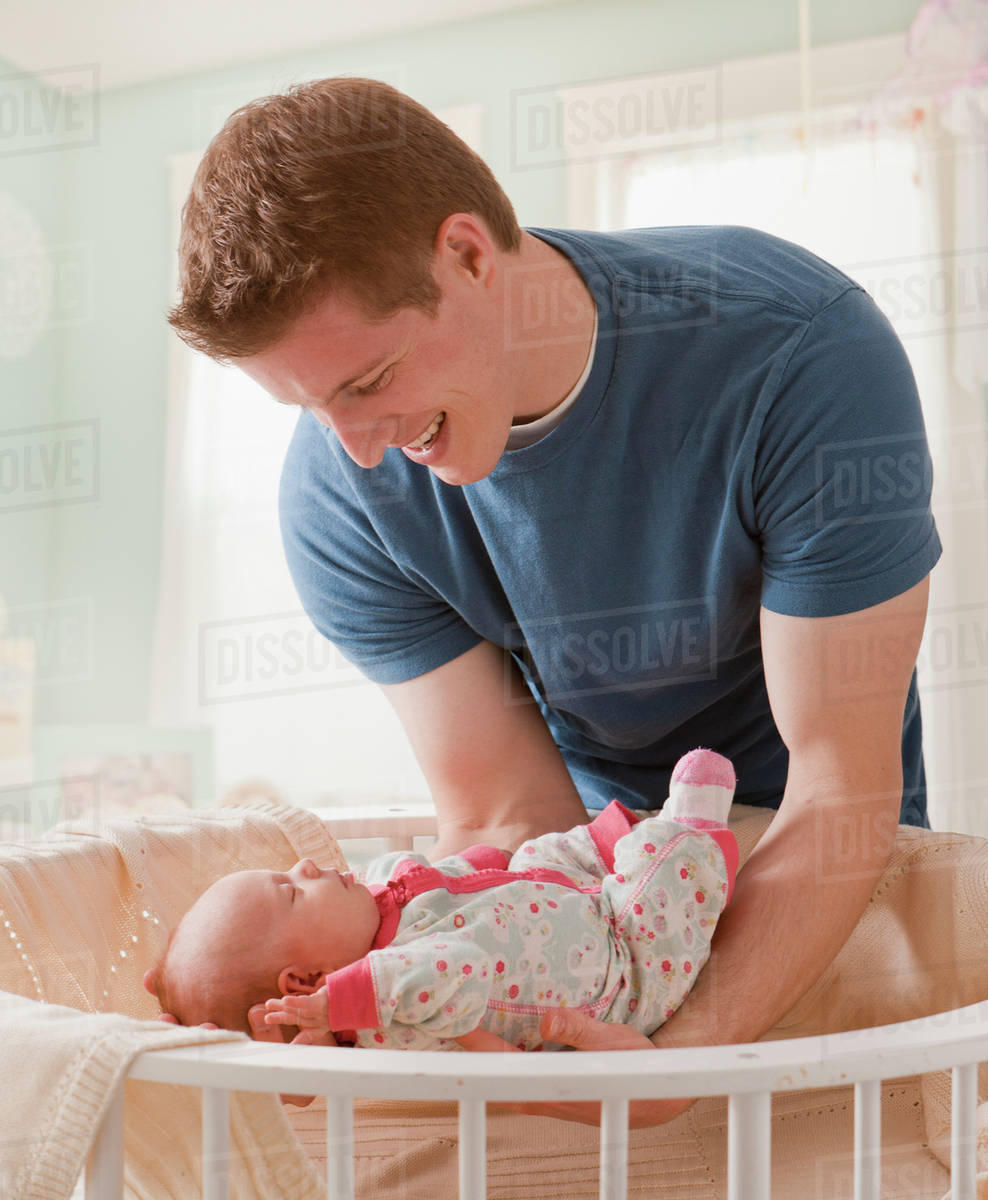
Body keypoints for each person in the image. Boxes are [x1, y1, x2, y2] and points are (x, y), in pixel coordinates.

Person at [164, 77, 941, 1125]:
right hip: (589, 870)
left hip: (811, 859)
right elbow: (508, 814)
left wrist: (685, 1059)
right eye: (307, 406)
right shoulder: (335, 498)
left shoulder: (799, 354)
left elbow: (842, 787)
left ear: (470, 256)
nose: (354, 447)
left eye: (365, 382)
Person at [145, 749, 738, 1053]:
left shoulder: (369, 911)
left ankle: (615, 851)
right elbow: (458, 968)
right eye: (290, 891)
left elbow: (437, 876)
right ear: (308, 981)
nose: (303, 866)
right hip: (618, 973)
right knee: (659, 885)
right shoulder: (396, 1008)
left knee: (540, 853)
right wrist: (343, 1007)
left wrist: (438, 872)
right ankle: (693, 837)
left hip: (550, 898)